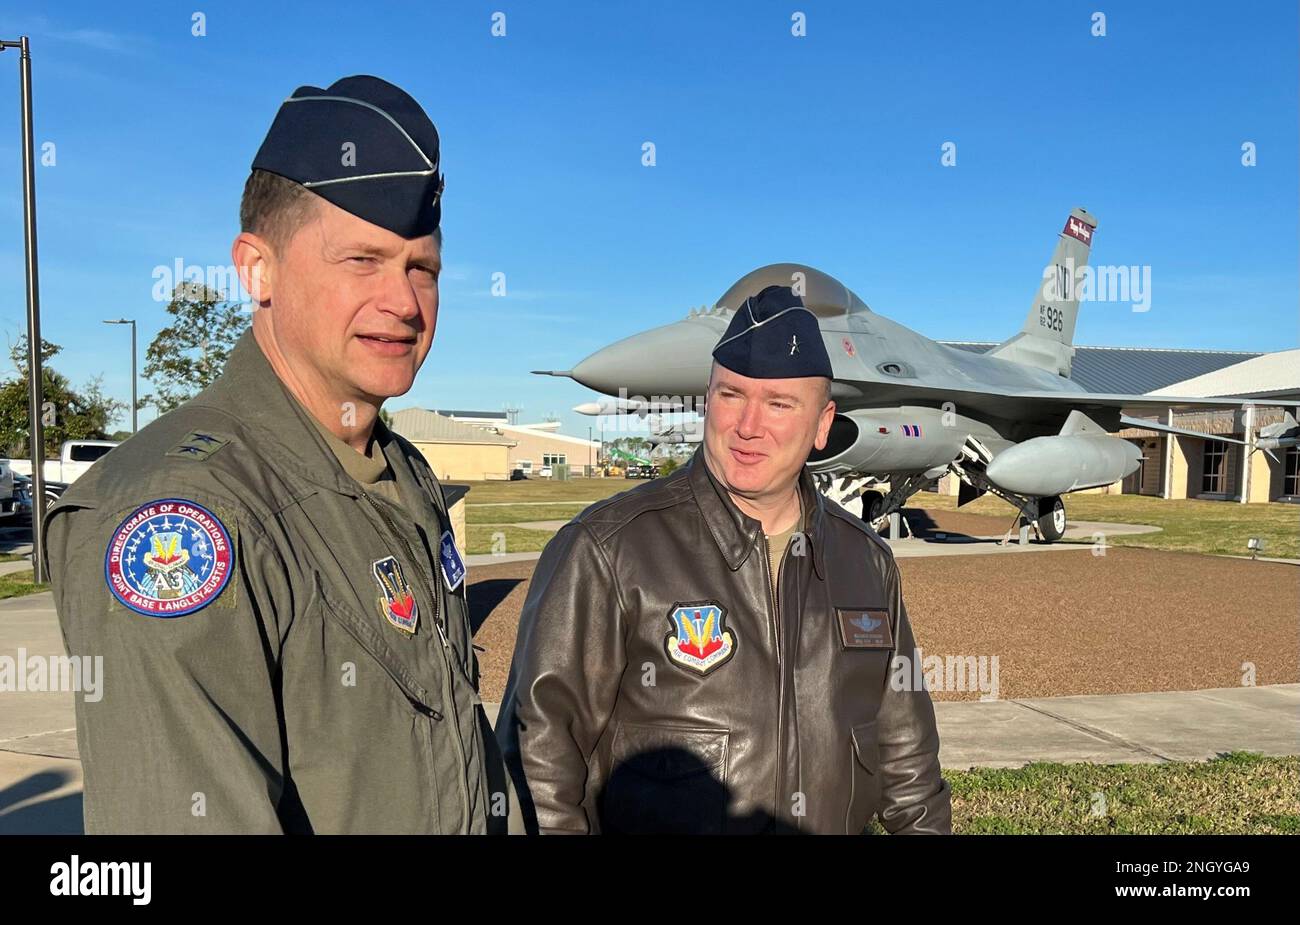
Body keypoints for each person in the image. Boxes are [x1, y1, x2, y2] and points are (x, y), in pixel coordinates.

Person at [46, 75, 505, 834]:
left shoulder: (403, 476)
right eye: (361, 259)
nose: (402, 301)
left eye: (420, 267)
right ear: (256, 269)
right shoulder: (182, 515)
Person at [497, 284, 951, 834]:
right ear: (707, 399)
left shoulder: (866, 564)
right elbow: (538, 756)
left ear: (823, 423)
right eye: (732, 395)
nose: (748, 427)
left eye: (779, 404)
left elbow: (909, 767)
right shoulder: (608, 550)